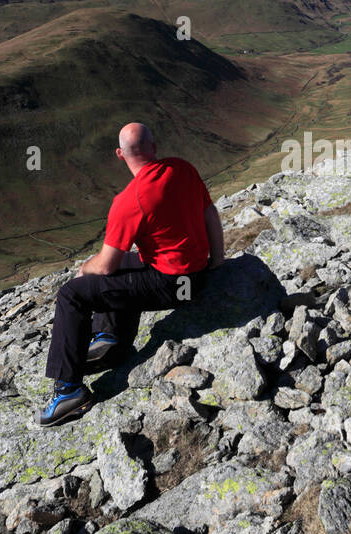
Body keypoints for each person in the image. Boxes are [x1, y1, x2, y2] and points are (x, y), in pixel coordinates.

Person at [39, 123, 225, 426]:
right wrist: (217, 261)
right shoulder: (182, 168)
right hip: (197, 275)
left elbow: (105, 267)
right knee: (129, 262)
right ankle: (109, 339)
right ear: (154, 147)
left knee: (72, 294)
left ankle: (68, 391)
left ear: (119, 155)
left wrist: (84, 269)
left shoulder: (130, 200)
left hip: (170, 284)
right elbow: (209, 212)